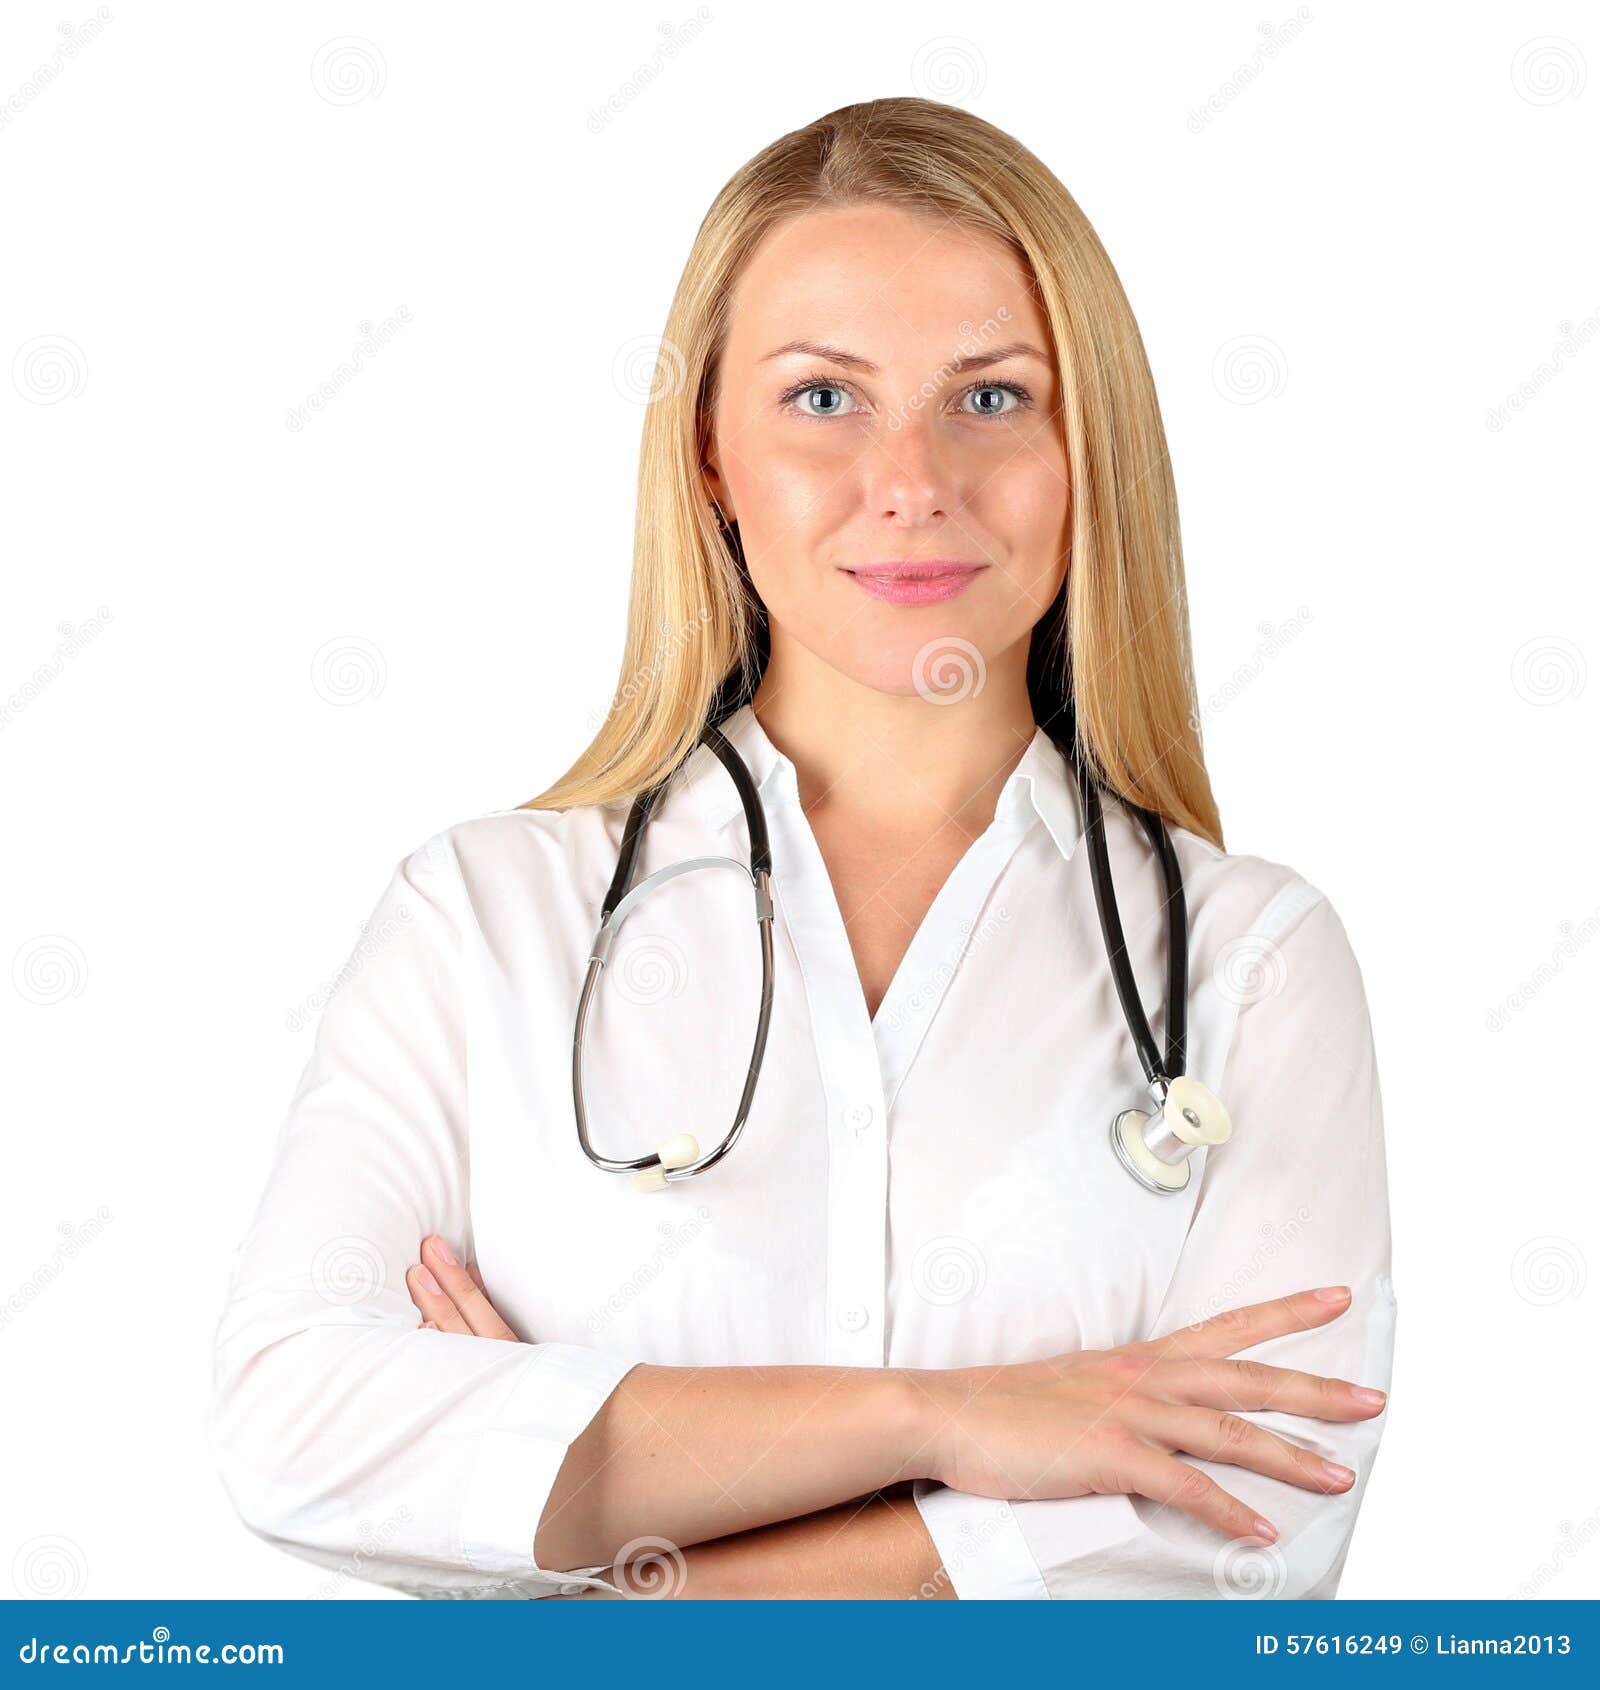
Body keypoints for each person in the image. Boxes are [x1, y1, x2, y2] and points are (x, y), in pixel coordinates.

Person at [209, 96, 1395, 1601]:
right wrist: (957, 1423)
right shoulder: (482, 921)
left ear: (1088, 444)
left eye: (994, 396)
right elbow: (296, 1427)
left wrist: (612, 1573)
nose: (911, 479)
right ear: (710, 453)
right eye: (824, 399)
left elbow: (1241, 1534)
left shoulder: (1251, 964)